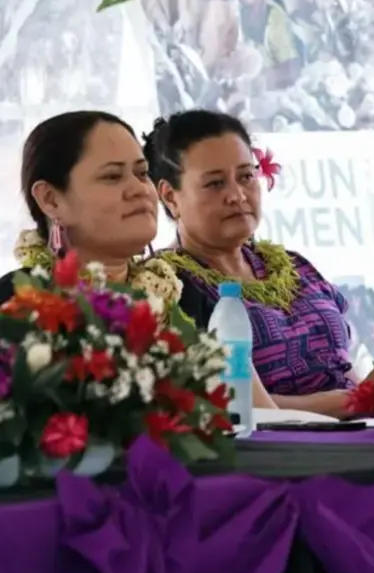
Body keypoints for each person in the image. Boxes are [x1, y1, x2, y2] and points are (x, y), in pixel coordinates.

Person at [0, 110, 277, 408]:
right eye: (112, 176)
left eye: (142, 173)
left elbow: (257, 417)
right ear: (51, 200)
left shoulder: (184, 298)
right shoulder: (18, 304)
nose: (139, 190)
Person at [143, 110, 355, 418]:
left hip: (357, 437)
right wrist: (349, 404)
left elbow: (345, 371)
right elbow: (230, 405)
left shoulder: (296, 266)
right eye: (215, 183)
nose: (237, 195)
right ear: (171, 196)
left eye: (245, 176)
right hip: (271, 454)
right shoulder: (167, 285)